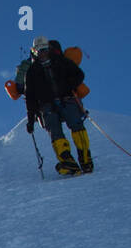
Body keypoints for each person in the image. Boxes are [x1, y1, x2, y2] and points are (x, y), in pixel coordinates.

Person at [24, 36, 93, 175]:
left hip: (65, 100)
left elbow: (79, 74)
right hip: (48, 106)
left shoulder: (59, 62)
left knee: (76, 126)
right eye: (39, 51)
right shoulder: (33, 71)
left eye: (44, 50)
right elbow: (30, 97)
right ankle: (69, 161)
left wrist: (68, 86)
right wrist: (30, 120)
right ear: (34, 52)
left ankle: (84, 159)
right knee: (56, 132)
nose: (42, 53)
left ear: (48, 49)